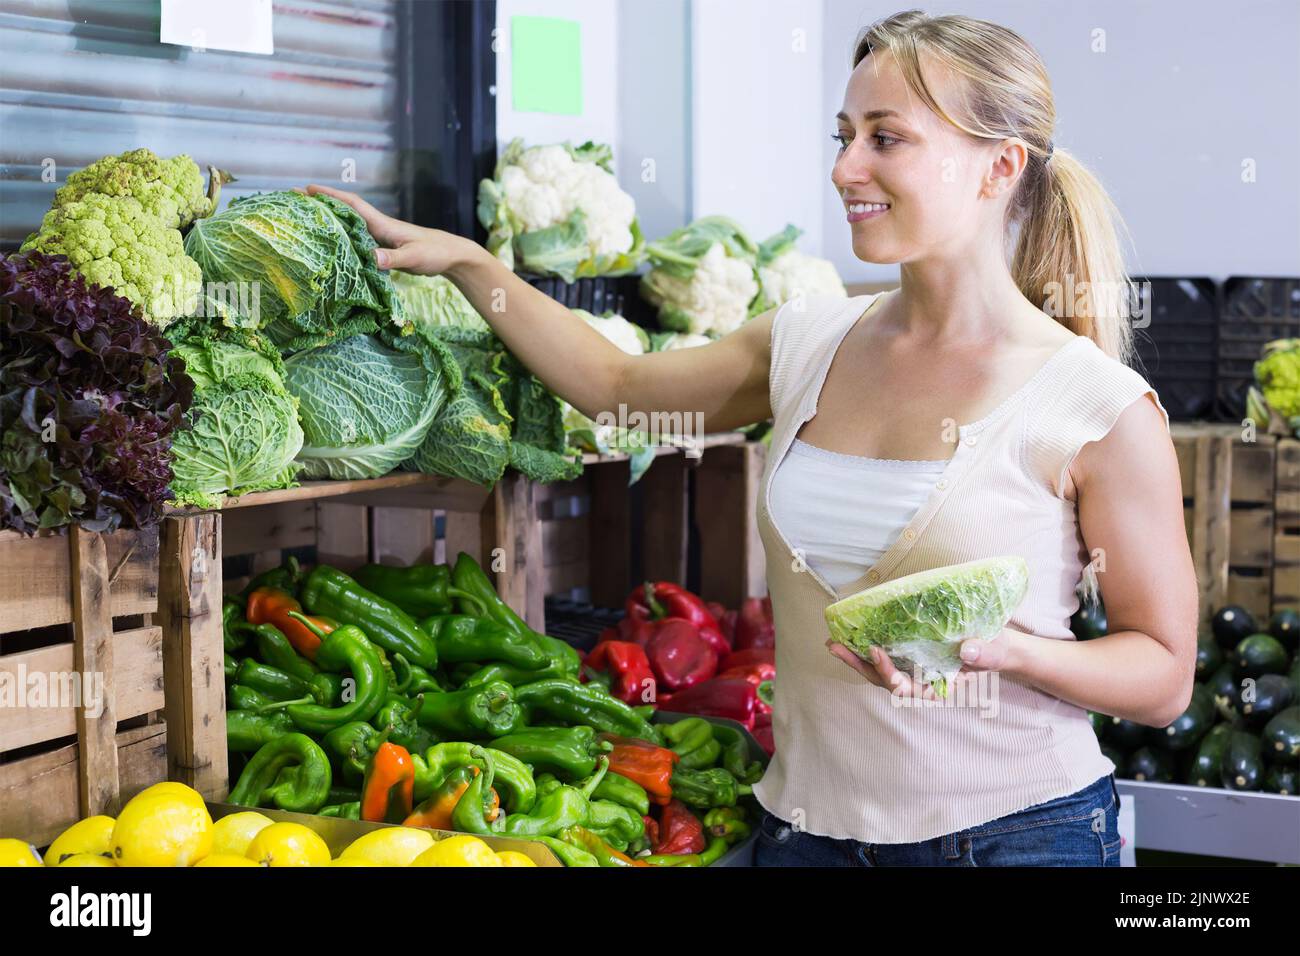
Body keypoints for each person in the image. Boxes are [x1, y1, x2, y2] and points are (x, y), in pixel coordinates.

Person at [307, 8, 1197, 868]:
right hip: (804, 833)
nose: (847, 168)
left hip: (1014, 837)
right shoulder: (805, 343)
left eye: (886, 138)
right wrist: (473, 266)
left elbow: (1162, 677)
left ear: (1000, 166)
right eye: (841, 135)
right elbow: (617, 389)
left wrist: (1009, 654)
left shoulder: (1095, 405)